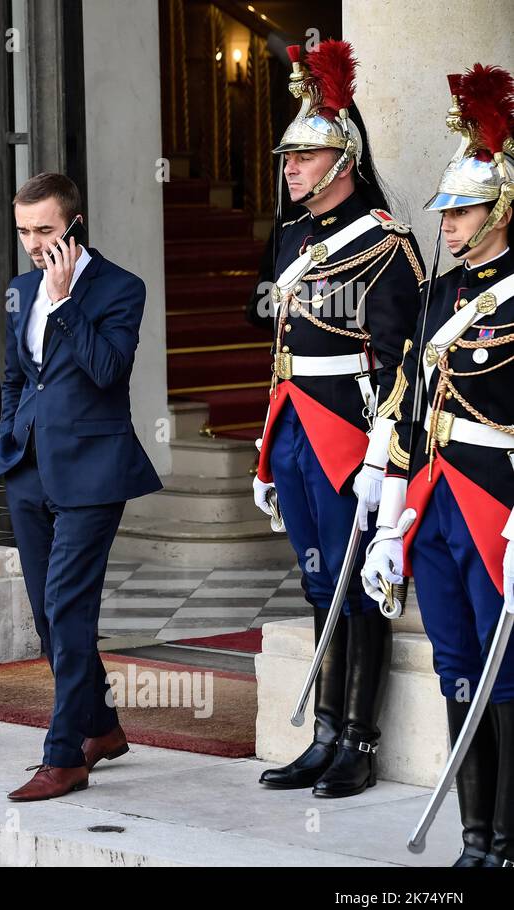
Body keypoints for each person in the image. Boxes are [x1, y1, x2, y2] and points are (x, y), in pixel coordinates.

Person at [252, 41, 424, 798]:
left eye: (303, 158)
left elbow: (400, 367)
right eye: (287, 159)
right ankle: (323, 735)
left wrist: (384, 461)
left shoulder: (386, 245)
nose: (289, 169)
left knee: (357, 584)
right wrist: (268, 447)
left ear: (343, 160)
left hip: (348, 435)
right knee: (318, 583)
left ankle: (359, 741)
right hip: (293, 428)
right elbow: (279, 339)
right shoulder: (292, 238)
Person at [362, 64, 514, 866]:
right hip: (441, 502)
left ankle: (510, 838)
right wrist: (390, 523)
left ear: (505, 210)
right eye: (446, 211)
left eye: (464, 210)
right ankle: (476, 836)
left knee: (507, 674)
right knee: (457, 667)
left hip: (501, 504)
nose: (448, 224)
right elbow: (408, 413)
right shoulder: (438, 298)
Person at [0, 173, 162, 801]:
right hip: (29, 468)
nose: (34, 245)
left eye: (46, 231)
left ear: (75, 226)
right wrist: (5, 442)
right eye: (25, 232)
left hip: (93, 470)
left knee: (68, 607)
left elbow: (109, 370)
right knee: (44, 613)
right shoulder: (17, 290)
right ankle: (103, 726)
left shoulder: (121, 288)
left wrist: (63, 304)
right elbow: (15, 378)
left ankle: (65, 757)